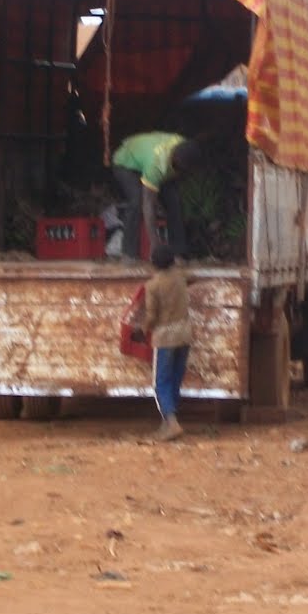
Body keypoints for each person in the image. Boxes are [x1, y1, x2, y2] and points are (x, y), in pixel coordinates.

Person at [111, 132, 201, 261]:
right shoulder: (157, 166)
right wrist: (155, 243)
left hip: (149, 159)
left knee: (174, 201)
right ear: (176, 160)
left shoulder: (183, 146)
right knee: (137, 200)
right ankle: (129, 253)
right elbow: (148, 205)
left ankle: (178, 252)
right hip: (126, 163)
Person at [143, 242, 192, 442]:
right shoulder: (181, 278)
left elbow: (151, 316)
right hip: (184, 334)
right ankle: (168, 422)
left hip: (164, 337)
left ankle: (171, 423)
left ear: (153, 263)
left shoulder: (152, 286)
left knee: (160, 382)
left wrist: (143, 329)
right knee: (174, 379)